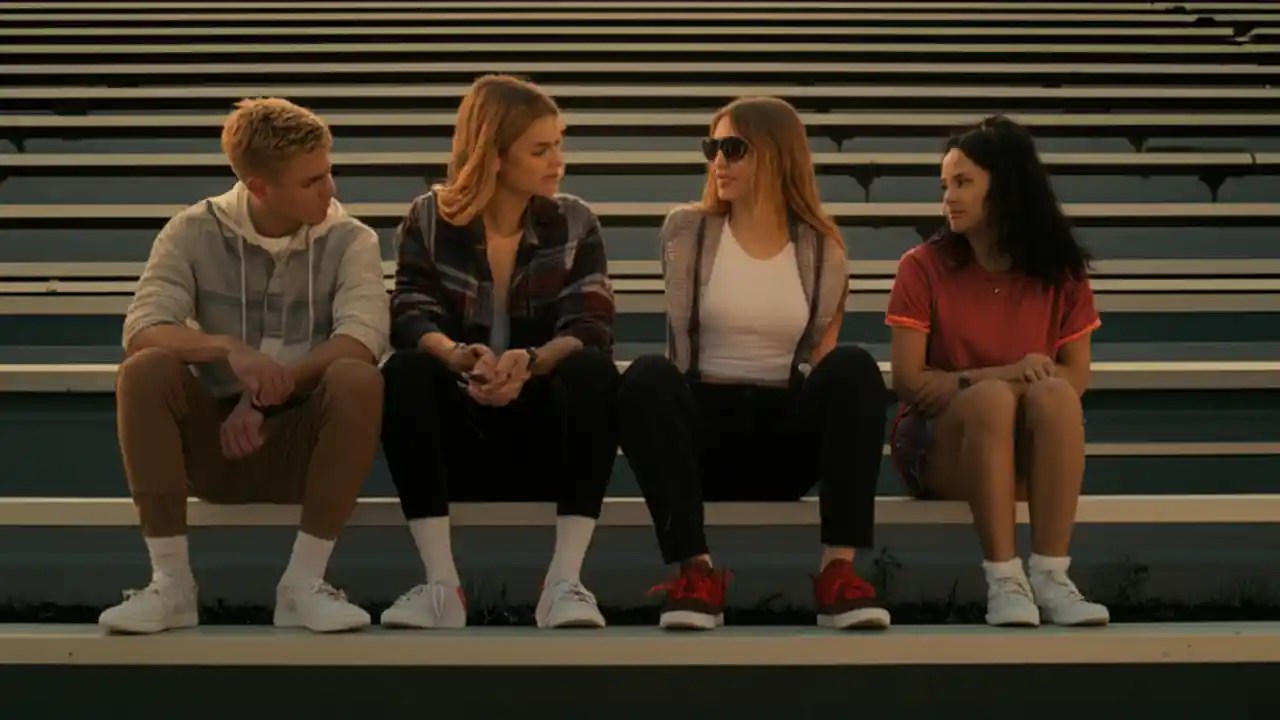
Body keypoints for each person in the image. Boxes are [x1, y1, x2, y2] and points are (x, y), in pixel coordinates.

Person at [101, 98, 389, 634]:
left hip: (305, 444)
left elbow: (362, 338)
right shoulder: (190, 230)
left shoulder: (353, 238)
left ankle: (304, 584)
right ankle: (171, 584)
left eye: (328, 172)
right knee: (145, 370)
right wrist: (229, 349)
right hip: (215, 445)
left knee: (357, 378)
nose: (331, 190)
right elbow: (142, 329)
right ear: (259, 187)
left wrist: (261, 397)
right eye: (311, 181)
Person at [617, 97, 891, 631]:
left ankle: (838, 572)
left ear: (776, 154)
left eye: (734, 148)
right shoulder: (686, 232)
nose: (718, 161)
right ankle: (695, 573)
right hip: (703, 432)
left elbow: (824, 361)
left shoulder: (823, 249)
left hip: (780, 435)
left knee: (855, 368)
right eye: (712, 148)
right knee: (646, 375)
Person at [379, 75, 618, 631]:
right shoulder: (429, 217)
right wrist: (459, 356)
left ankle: (564, 581)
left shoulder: (575, 220)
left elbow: (592, 323)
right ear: (493, 155)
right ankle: (442, 587)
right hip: (461, 431)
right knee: (408, 370)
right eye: (540, 149)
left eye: (559, 143)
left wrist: (530, 363)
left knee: (592, 371)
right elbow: (411, 313)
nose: (557, 160)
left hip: (541, 433)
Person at [886, 115, 1110, 628]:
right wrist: (1008, 374)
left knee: (1053, 397)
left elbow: (1074, 377)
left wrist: (974, 378)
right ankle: (1004, 580)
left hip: (1024, 447)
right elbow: (910, 382)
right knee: (993, 401)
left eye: (963, 182)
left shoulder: (1061, 270)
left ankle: (1052, 577)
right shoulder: (922, 266)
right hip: (940, 443)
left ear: (1005, 187)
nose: (949, 197)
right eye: (945, 184)